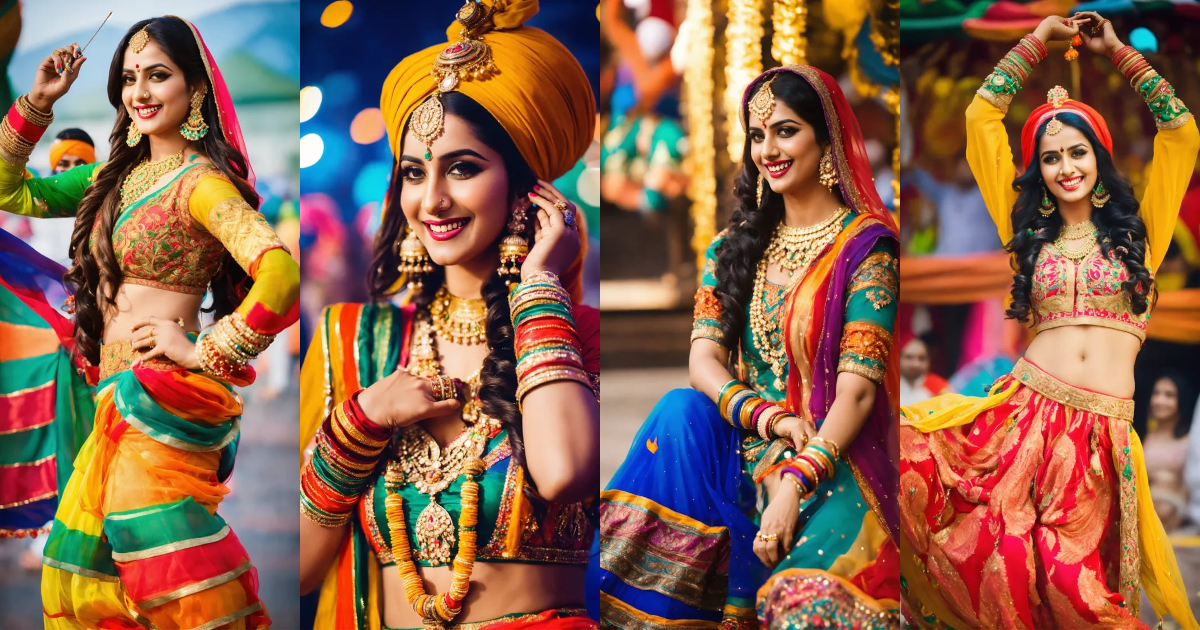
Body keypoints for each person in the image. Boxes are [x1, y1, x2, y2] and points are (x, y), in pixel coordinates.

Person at [296, 2, 600, 629]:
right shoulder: (354, 340)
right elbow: (299, 568)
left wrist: (540, 286)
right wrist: (363, 420)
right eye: (413, 173)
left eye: (462, 168)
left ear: (525, 188)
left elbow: (564, 470)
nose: (431, 199)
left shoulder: (577, 336)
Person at [898, 12, 1199, 629]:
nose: (1066, 166)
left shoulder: (1140, 236)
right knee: (1004, 573)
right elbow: (981, 117)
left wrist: (1118, 52)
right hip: (1021, 423)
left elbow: (1181, 133)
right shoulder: (1027, 236)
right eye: (1052, 156)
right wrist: (1035, 43)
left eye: (1078, 152)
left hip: (1098, 441)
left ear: (1099, 157)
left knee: (1079, 596)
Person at [0, 16, 299, 628]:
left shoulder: (203, 184)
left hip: (163, 394)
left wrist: (206, 351)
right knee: (93, 570)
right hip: (105, 396)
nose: (140, 91)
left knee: (170, 571)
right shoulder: (112, 180)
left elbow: (281, 276)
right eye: (130, 77)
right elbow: (12, 193)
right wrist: (38, 103)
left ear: (196, 89)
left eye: (158, 75)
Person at [594, 65, 900, 628]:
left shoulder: (867, 250)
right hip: (747, 445)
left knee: (811, 607)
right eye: (757, 136)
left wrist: (796, 476)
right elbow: (703, 362)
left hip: (834, 455)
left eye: (785, 130)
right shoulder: (732, 248)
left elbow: (856, 392)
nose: (768, 149)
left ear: (826, 140)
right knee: (680, 411)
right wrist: (771, 422)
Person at [1143, 373, 1194, 533]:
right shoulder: (1144, 435)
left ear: (1182, 400)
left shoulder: (1190, 441)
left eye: (1169, 395)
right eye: (1156, 393)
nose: (1159, 400)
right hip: (1143, 518)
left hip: (1175, 525)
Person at [898, 335, 951, 406]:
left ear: (929, 361)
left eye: (921, 358)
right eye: (909, 357)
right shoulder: (889, 386)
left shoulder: (939, 386)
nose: (915, 364)